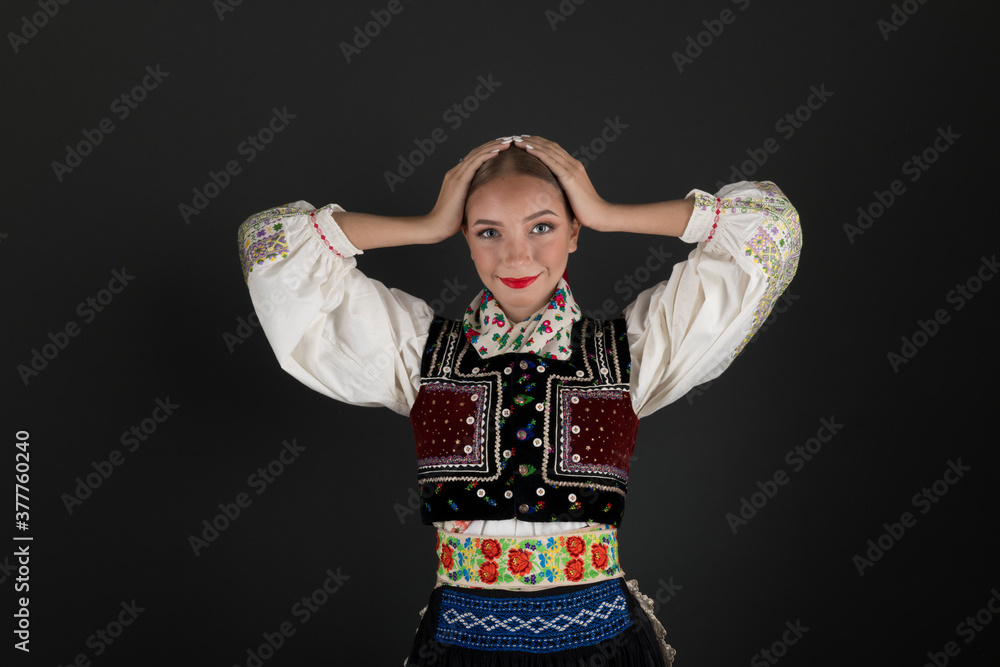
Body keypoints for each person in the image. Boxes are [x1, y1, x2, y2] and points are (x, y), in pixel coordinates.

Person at [237, 135, 802, 666]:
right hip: (460, 648)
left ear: (575, 231)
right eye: (488, 231)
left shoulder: (630, 351)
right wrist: (428, 225)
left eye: (543, 227)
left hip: (605, 647)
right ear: (464, 236)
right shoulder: (417, 352)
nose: (515, 256)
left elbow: (769, 230)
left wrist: (606, 212)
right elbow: (272, 247)